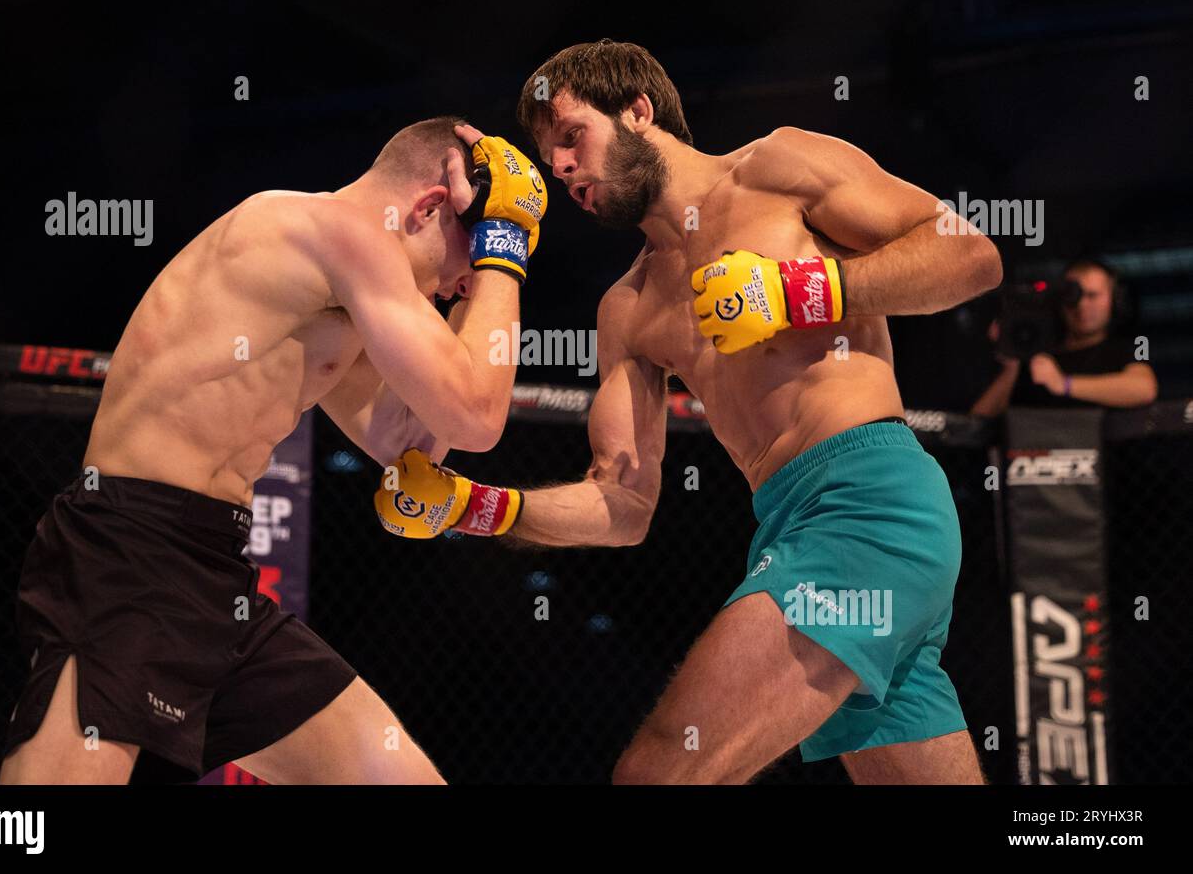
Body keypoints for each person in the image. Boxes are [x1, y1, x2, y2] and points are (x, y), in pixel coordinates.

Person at [376, 40, 1002, 783]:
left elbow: (970, 254)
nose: (564, 167)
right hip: (791, 521)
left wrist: (801, 291)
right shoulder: (629, 309)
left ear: (639, 112)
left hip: (869, 505)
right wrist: (474, 507)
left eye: (574, 136)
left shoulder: (780, 168)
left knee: (664, 771)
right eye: (551, 159)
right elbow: (623, 501)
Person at [0, 118, 546, 784]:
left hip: (214, 572)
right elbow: (481, 415)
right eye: (473, 253)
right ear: (430, 206)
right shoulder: (334, 234)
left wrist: (486, 256)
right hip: (129, 554)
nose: (468, 284)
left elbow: (417, 439)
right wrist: (505, 244)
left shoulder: (340, 296)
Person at [971, 258, 1157, 415]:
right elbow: (978, 420)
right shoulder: (1037, 355)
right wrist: (1010, 367)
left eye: (1092, 296)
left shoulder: (1129, 347)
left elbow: (1145, 389)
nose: (1082, 304)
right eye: (1073, 296)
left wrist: (1064, 384)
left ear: (1115, 300)